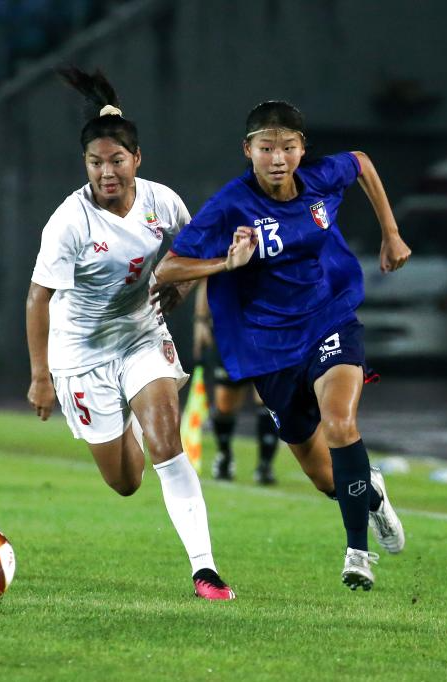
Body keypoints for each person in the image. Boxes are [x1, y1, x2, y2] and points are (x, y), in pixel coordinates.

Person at [154, 100, 409, 591]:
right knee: (324, 477)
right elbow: (169, 268)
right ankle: (371, 494)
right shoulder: (230, 205)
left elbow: (361, 162)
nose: (278, 158)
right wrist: (226, 263)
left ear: (301, 149)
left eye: (287, 147)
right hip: (268, 348)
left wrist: (391, 233)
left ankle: (358, 553)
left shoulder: (320, 180)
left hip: (329, 319)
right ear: (248, 150)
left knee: (341, 423)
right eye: (266, 148)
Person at [26, 67, 234, 600]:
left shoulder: (162, 202)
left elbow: (194, 252)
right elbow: (37, 299)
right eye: (96, 162)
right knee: (125, 482)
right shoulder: (69, 222)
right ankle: (128, 419)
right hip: (79, 355)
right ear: (85, 165)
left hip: (141, 335)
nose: (106, 172)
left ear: (136, 159)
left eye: (116, 160)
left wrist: (182, 288)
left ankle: (205, 571)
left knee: (169, 447)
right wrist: (40, 377)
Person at [192, 281, 280, 484]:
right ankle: (224, 455)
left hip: (268, 328)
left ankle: (265, 465)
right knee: (225, 403)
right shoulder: (223, 257)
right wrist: (200, 320)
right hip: (231, 330)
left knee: (267, 400)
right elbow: (206, 279)